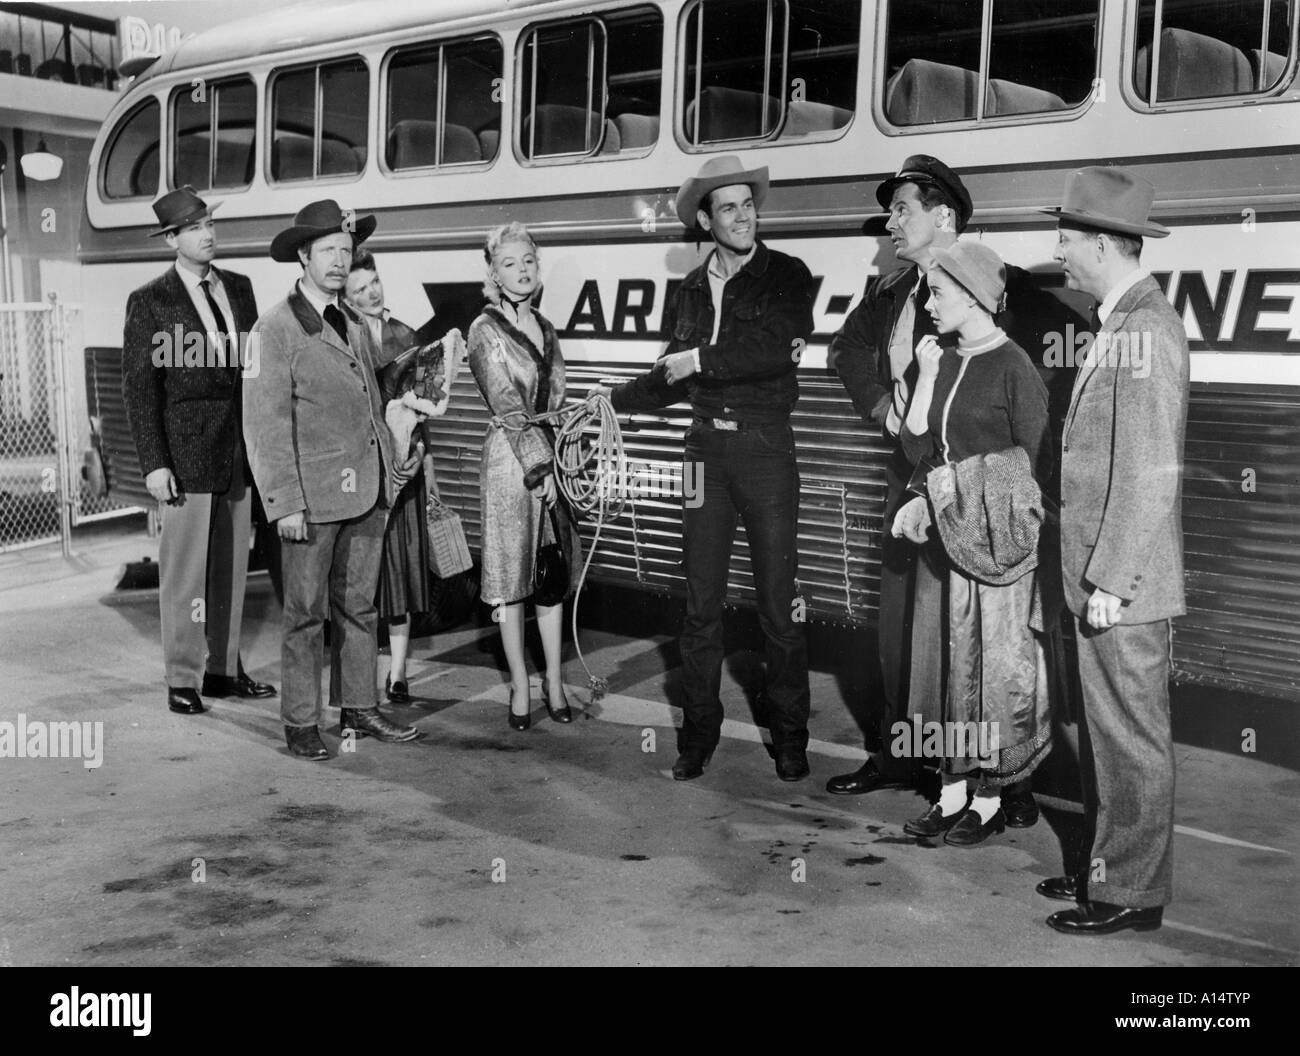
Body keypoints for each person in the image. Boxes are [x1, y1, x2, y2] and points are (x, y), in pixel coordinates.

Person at [827, 155, 1076, 826]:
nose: (891, 223)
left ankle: (1007, 786)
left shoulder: (1010, 293)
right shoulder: (891, 293)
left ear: (945, 217)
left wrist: (1007, 474)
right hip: (910, 485)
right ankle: (908, 757)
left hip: (981, 502)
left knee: (994, 648)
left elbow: (1055, 375)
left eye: (901, 210)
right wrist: (884, 407)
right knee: (908, 636)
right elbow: (845, 352)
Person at [591, 156, 816, 782]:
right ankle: (697, 737)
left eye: (749, 205)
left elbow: (777, 349)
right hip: (702, 457)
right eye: (729, 208)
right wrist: (613, 400)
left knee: (778, 605)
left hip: (766, 448)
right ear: (705, 219)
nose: (744, 216)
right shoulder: (689, 288)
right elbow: (670, 371)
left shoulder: (786, 275)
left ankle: (791, 737)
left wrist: (698, 361)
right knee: (699, 605)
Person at [1037, 167, 1189, 935]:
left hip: (1121, 584)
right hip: (1101, 576)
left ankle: (1130, 891)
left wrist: (1114, 579)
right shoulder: (1118, 322)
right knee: (1102, 735)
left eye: (1066, 240)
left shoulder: (1147, 331)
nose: (1059, 253)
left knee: (1130, 741)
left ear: (1101, 243)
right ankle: (1102, 866)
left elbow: (1149, 466)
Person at [243, 200, 422, 760]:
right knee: (304, 615)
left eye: (346, 251)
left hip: (365, 491)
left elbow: (370, 405)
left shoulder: (351, 322)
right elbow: (265, 424)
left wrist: (392, 466)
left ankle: (358, 706)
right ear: (304, 255)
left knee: (358, 606)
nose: (341, 262)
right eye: (329, 251)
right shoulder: (273, 329)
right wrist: (285, 504)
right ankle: (301, 722)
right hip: (311, 502)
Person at [890, 242, 1053, 846]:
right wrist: (927, 379)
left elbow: (1033, 471)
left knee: (994, 676)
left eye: (937, 293)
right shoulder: (942, 360)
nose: (928, 305)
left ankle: (989, 797)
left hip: (1000, 554)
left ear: (975, 296)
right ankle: (952, 791)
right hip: (945, 546)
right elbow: (918, 450)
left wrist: (970, 497)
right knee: (948, 673)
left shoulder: (1014, 369)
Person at [122, 185, 275, 715]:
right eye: (193, 227)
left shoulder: (240, 287)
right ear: (172, 239)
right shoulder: (150, 301)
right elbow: (141, 390)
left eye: (208, 223)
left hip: (236, 450)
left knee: (232, 568)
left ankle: (222, 670)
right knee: (185, 573)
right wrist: (154, 464)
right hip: (184, 455)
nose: (207, 234)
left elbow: (253, 374)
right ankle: (182, 677)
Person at [466, 222, 582, 731]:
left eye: (528, 262)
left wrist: (569, 453)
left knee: (551, 577)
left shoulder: (548, 328)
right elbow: (508, 404)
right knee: (513, 580)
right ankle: (520, 683)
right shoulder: (484, 329)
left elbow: (555, 402)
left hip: (549, 458)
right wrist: (540, 469)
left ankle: (554, 681)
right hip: (511, 465)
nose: (521, 272)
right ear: (492, 272)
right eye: (509, 264)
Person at [344, 249, 433, 705]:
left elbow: (424, 413)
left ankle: (398, 673)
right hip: (363, 475)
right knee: (366, 579)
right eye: (359, 288)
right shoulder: (343, 339)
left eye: (373, 281)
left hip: (406, 473)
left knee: (400, 575)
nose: (371, 292)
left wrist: (425, 468)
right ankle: (363, 678)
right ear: (346, 296)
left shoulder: (407, 335)